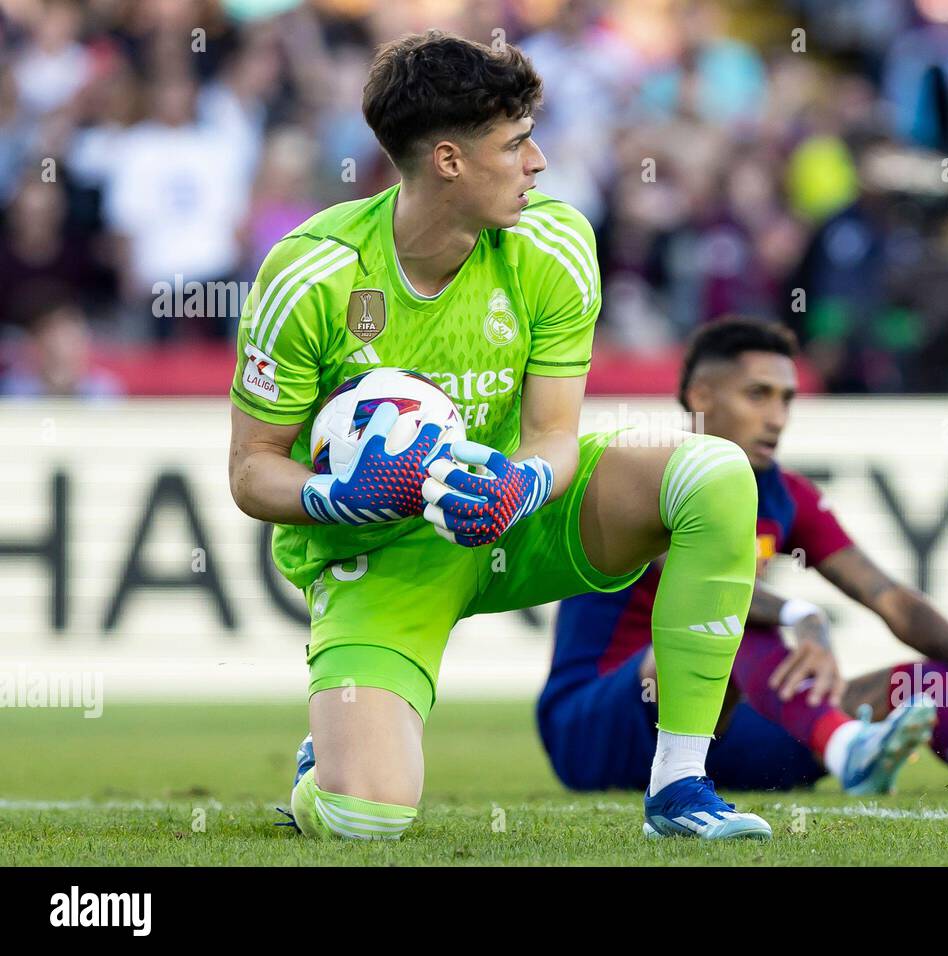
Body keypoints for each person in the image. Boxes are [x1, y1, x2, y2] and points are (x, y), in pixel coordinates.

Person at [227, 31, 777, 842]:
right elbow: (250, 472)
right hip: (379, 549)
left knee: (717, 474)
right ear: (448, 161)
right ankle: (327, 773)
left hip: (515, 509)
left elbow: (556, 436)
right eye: (516, 143)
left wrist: (517, 487)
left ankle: (680, 786)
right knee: (362, 819)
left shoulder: (553, 243)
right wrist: (334, 495)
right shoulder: (309, 273)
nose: (539, 162)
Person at [539, 317, 948, 797]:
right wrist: (798, 615)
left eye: (787, 398)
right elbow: (689, 581)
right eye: (759, 394)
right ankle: (849, 749)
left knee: (920, 684)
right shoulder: (644, 469)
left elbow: (887, 595)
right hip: (597, 722)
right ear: (701, 393)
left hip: (712, 735)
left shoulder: (786, 494)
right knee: (721, 624)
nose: (778, 417)